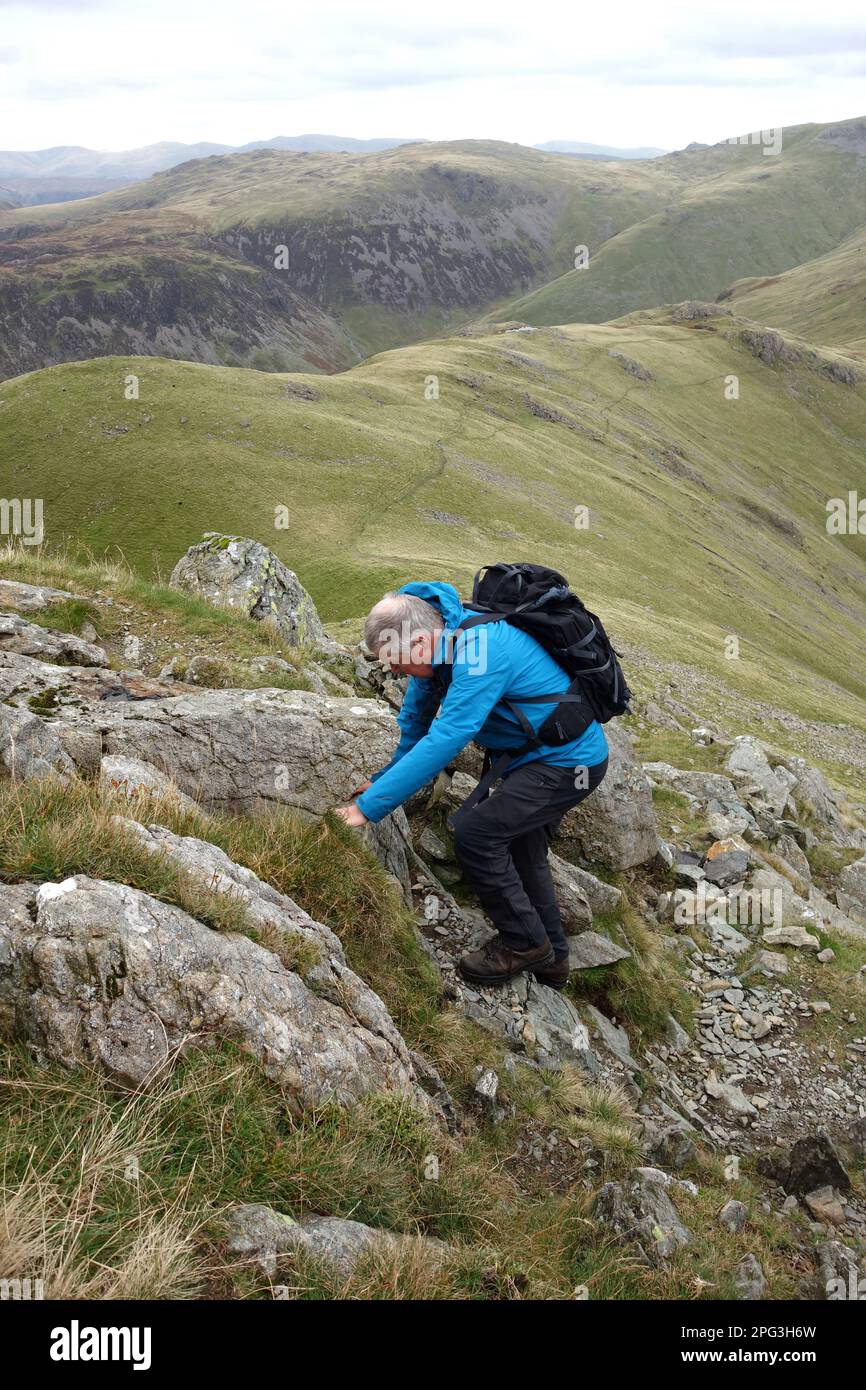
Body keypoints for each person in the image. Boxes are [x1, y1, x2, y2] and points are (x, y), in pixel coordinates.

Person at [334, 580, 609, 989]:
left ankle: (523, 943)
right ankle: (553, 963)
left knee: (475, 835)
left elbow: (447, 738)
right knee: (524, 850)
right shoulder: (436, 653)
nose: (394, 670)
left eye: (396, 661)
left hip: (568, 763)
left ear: (423, 642)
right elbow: (415, 728)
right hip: (530, 759)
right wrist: (380, 782)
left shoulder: (481, 650)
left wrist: (365, 810)